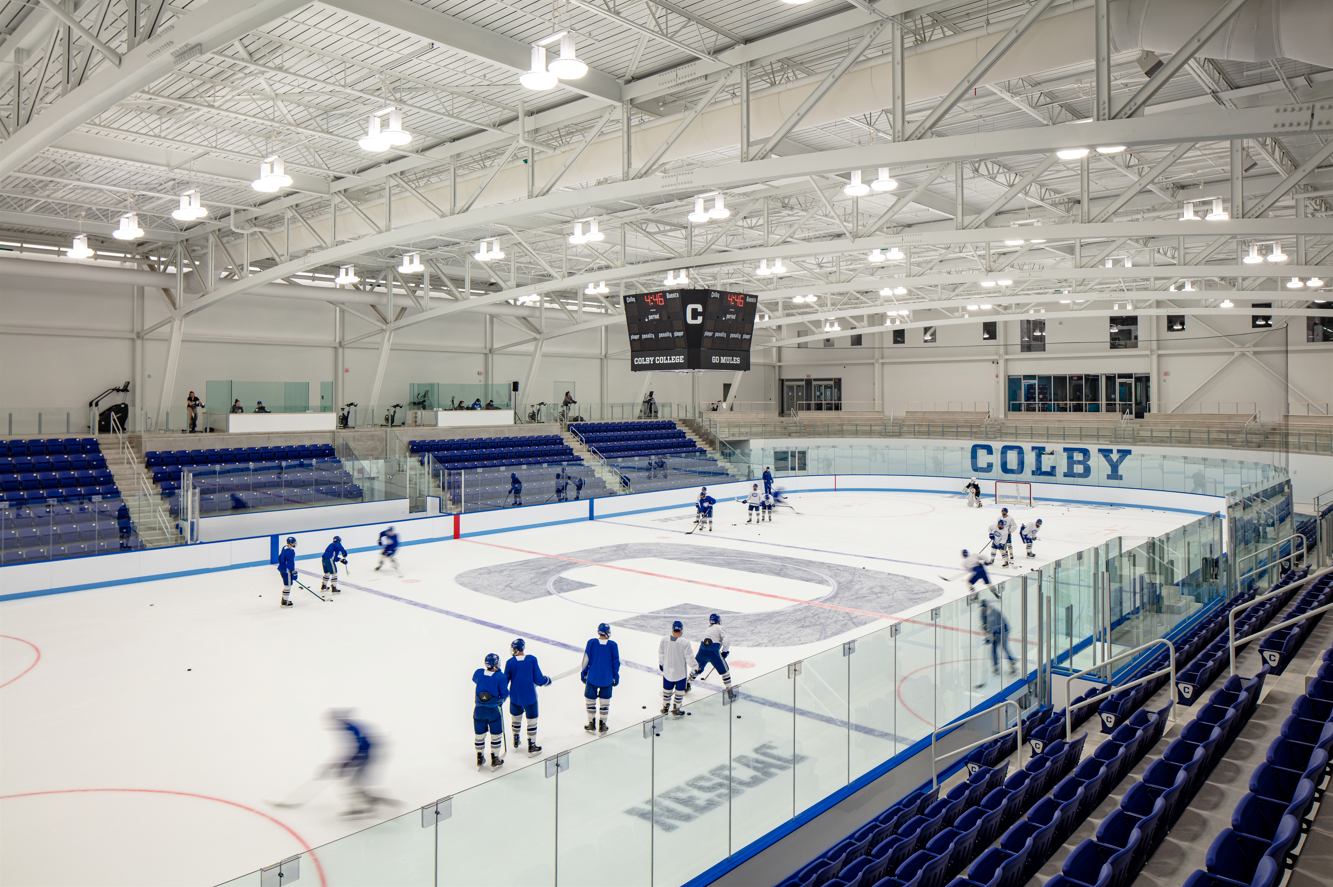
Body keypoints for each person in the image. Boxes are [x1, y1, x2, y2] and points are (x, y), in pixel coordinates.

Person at [325, 709, 390, 817]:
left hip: (367, 755)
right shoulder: (351, 727)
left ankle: (367, 803)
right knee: (354, 783)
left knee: (352, 783)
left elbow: (361, 746)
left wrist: (346, 763)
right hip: (367, 754)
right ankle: (368, 801)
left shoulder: (351, 728)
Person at [504, 639, 551, 757]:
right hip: (530, 696)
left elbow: (504, 681)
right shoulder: (531, 659)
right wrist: (546, 680)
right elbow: (539, 680)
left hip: (515, 697)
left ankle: (516, 738)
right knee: (532, 721)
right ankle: (532, 745)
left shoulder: (510, 662)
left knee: (516, 718)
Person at [580, 623, 620, 735]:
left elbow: (585, 659)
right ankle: (602, 724)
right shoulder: (613, 645)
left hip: (592, 677)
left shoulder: (591, 643)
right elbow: (615, 663)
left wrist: (583, 673)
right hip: (607, 678)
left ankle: (591, 723)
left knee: (590, 700)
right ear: (607, 632)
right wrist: (615, 676)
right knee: (605, 702)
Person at [473, 653, 508, 770]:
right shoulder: (501, 677)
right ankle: (495, 758)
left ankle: (479, 757)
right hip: (493, 711)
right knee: (496, 735)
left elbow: (475, 679)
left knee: (479, 735)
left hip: (478, 711)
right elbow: (504, 693)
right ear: (496, 663)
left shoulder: (479, 673)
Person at [689, 613, 734, 698]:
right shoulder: (720, 627)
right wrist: (725, 651)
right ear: (718, 621)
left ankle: (688, 684)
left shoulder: (707, 629)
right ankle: (729, 691)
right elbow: (726, 640)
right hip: (713, 653)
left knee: (696, 667)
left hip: (702, 651)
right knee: (725, 672)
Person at [659, 621, 694, 717]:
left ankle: (665, 708)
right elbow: (689, 657)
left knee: (667, 690)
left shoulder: (664, 640)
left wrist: (661, 663)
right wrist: (695, 667)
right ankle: (676, 709)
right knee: (679, 692)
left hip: (667, 672)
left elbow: (661, 652)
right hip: (680, 672)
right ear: (681, 629)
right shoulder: (685, 643)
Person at [980, 601, 1018, 677]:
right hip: (994, 633)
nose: (983, 609)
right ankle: (995, 666)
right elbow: (984, 624)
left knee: (1004, 647)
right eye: (982, 608)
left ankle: (1012, 663)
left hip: (1002, 631)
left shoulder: (994, 613)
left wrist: (990, 636)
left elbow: (995, 625)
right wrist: (987, 634)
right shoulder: (983, 613)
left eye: (984, 607)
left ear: (987, 606)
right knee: (993, 649)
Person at [277, 536, 297, 608]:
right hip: (286, 571)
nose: (295, 543)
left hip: (282, 569)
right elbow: (290, 563)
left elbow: (279, 557)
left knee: (287, 584)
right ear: (291, 543)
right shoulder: (290, 552)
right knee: (287, 585)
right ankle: (284, 602)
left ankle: (284, 599)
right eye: (294, 542)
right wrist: (293, 571)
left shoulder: (284, 547)